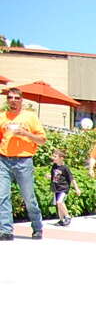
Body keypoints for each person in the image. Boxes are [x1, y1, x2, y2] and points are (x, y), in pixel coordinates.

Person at [0, 86, 47, 240]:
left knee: (28, 196)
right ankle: (6, 230)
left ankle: (37, 226)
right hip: (3, 160)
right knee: (2, 196)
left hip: (24, 160)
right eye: (10, 97)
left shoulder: (30, 117)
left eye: (16, 98)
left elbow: (42, 141)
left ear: (22, 100)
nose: (13, 101)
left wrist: (25, 133)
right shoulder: (2, 117)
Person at [50, 149, 80, 226]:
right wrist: (49, 176)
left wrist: (76, 188)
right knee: (58, 204)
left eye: (55, 156)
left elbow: (71, 178)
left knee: (59, 202)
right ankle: (61, 220)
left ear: (61, 158)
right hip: (56, 188)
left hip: (63, 188)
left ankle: (67, 217)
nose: (53, 158)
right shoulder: (54, 166)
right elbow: (55, 177)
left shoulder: (65, 168)